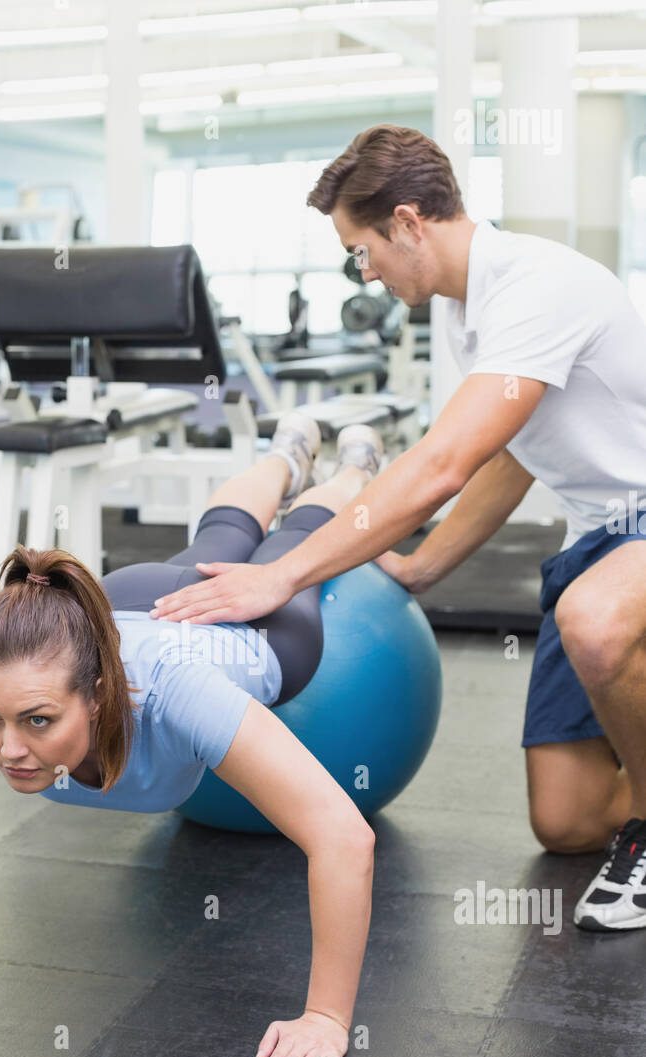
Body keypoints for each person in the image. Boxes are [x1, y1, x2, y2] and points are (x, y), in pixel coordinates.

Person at [150, 123, 646, 934]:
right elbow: (509, 457)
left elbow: (444, 463)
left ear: (410, 222)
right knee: (566, 825)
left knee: (591, 619)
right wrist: (420, 568)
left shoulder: (536, 286)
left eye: (362, 250)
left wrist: (282, 575)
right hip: (598, 531)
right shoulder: (464, 309)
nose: (364, 271)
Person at [0, 416, 387, 1057]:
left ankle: (356, 469)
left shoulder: (177, 692)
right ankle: (286, 454)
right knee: (216, 539)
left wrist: (325, 1018)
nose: (8, 748)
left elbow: (344, 839)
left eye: (38, 721)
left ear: (101, 697)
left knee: (292, 546)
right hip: (125, 600)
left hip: (247, 635)